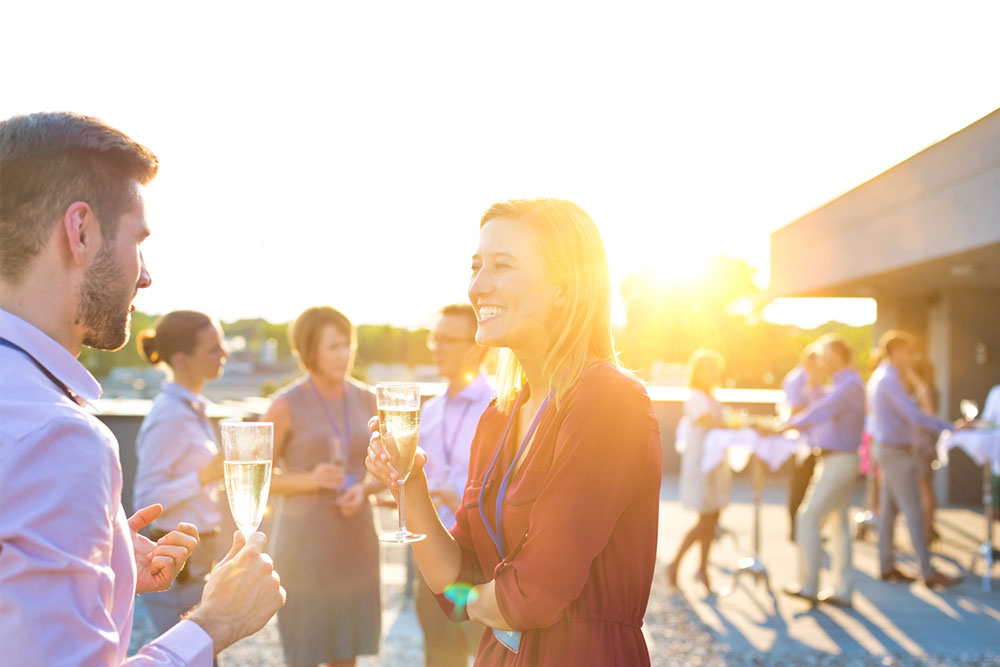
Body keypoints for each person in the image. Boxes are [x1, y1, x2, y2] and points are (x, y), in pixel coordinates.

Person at [0, 111, 284, 665]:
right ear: (80, 233)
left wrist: (105, 570)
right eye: (138, 240)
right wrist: (214, 623)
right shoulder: (58, 438)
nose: (146, 274)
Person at [367, 198, 662, 665]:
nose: (477, 287)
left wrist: (485, 600)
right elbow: (453, 577)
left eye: (501, 267)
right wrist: (409, 480)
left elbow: (535, 594)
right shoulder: (499, 416)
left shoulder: (607, 399)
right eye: (476, 266)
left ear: (564, 286)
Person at [263, 305, 383, 667]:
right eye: (333, 346)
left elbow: (391, 469)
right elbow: (257, 483)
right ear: (308, 350)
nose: (344, 354)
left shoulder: (369, 399)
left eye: (347, 344)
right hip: (305, 551)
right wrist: (310, 480)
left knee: (347, 655)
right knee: (303, 653)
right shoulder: (284, 405)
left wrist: (363, 490)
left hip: (356, 542)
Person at [133, 311, 229, 634]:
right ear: (182, 359)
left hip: (198, 556)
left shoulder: (191, 408)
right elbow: (145, 498)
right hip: (178, 564)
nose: (225, 354)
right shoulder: (170, 416)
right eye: (214, 348)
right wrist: (203, 477)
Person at [416, 303, 493, 667]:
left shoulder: (502, 407)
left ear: (477, 346)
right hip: (433, 558)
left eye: (448, 340)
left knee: (489, 657)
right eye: (436, 338)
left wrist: (460, 498)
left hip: (483, 562)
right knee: (439, 658)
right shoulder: (429, 411)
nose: (437, 347)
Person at [774, 335, 864, 607]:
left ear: (836, 356)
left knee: (807, 519)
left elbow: (819, 411)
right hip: (833, 460)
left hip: (839, 461)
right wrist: (812, 380)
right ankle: (843, 590)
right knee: (839, 527)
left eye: (823, 356)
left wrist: (784, 426)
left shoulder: (848, 384)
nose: (820, 361)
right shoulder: (840, 383)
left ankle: (809, 585)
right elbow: (818, 405)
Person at [867, 330, 961, 588]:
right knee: (914, 511)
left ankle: (886, 566)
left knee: (888, 512)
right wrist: (951, 427)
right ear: (896, 352)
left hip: (889, 449)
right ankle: (927, 571)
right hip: (895, 452)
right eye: (908, 352)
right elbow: (915, 416)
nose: (911, 358)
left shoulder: (882, 377)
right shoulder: (888, 379)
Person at [666, 349, 731, 593]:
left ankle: (702, 568)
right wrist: (740, 425)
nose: (714, 373)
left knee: (712, 518)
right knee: (705, 520)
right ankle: (675, 564)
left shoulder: (711, 396)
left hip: (714, 464)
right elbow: (708, 423)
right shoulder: (695, 397)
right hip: (701, 465)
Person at [782, 347, 824, 541]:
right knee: (798, 487)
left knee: (809, 487)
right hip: (798, 441)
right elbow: (794, 411)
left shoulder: (815, 380)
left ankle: (808, 529)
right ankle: (795, 531)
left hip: (814, 441)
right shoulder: (796, 379)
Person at [907, 357, 941, 545]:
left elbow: (929, 418)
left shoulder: (925, 390)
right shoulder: (927, 389)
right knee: (926, 487)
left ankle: (927, 531)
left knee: (924, 489)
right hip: (924, 444)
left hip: (922, 445)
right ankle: (930, 528)